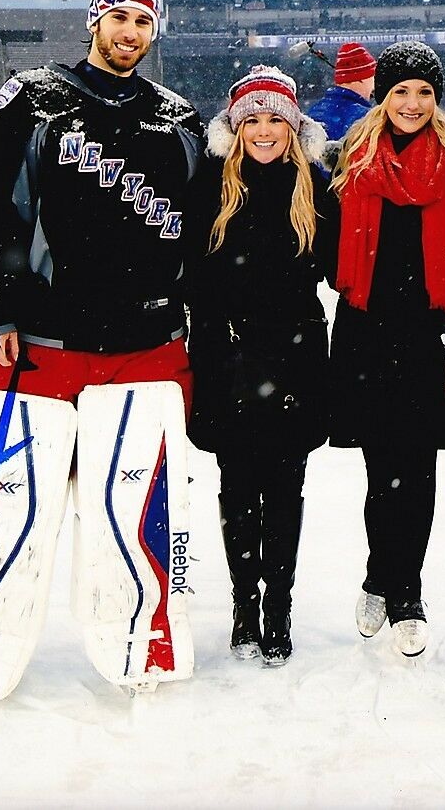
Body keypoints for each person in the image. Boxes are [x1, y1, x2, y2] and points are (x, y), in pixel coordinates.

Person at [0, 0, 206, 702]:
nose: (130, 31)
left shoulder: (178, 118)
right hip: (40, 346)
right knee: (7, 516)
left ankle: (142, 648)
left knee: (134, 519)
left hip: (144, 349)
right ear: (94, 19)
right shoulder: (34, 98)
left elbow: (199, 233)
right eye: (118, 17)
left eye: (142, 20)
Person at [183, 66, 337, 667]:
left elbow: (340, 268)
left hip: (295, 356)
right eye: (253, 120)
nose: (265, 130)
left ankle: (279, 606)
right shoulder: (209, 184)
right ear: (235, 127)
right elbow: (191, 273)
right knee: (238, 487)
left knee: (286, 488)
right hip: (227, 355)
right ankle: (244, 603)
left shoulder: (314, 186)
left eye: (277, 119)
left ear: (294, 128)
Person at [328, 40, 445, 660]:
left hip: (432, 332)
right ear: (382, 96)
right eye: (401, 91)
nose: (412, 103)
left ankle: (407, 592)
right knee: (380, 468)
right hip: (367, 329)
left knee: (420, 468)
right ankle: (378, 577)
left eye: (424, 92)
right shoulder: (351, 158)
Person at [307, 41, 377, 143]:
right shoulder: (364, 118)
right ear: (361, 78)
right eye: (373, 77)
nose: (374, 84)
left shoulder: (314, 111)